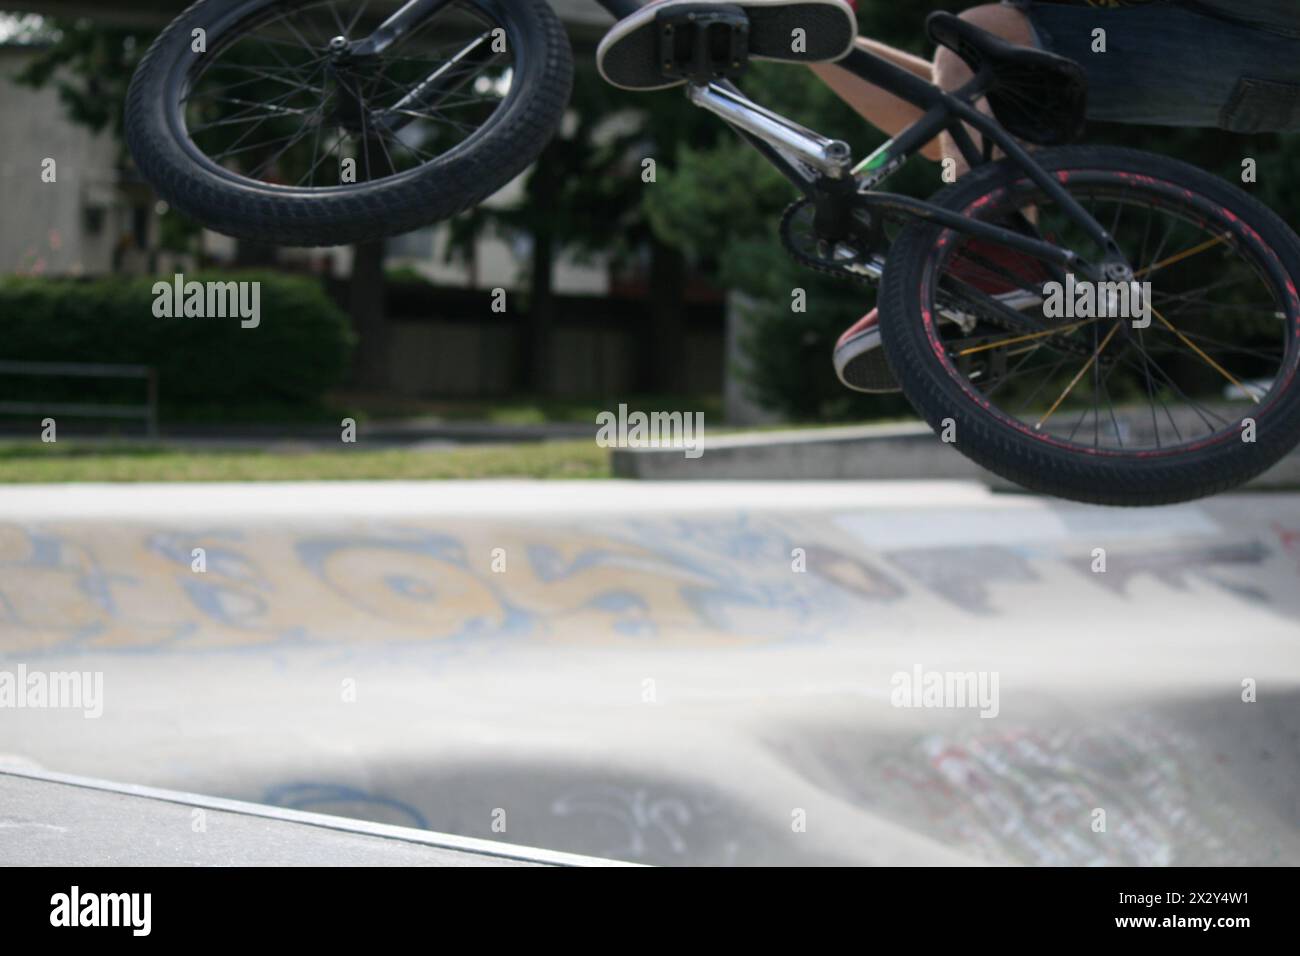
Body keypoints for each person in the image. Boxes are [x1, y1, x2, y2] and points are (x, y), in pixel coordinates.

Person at [599, 2, 1300, 391]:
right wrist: (816, 42)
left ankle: (996, 254)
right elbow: (956, 133)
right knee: (982, 76)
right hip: (1258, 66)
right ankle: (998, 260)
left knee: (989, 41)